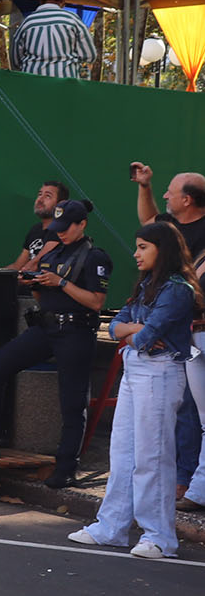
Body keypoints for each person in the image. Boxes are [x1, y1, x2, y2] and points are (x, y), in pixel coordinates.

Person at [69, 221, 203, 558]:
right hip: (136, 369)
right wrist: (133, 330)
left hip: (159, 372)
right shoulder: (149, 283)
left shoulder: (177, 288)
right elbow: (118, 326)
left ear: (163, 249)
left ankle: (159, 537)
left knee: (152, 456)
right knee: (124, 451)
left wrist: (132, 331)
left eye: (143, 247)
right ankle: (111, 527)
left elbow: (143, 336)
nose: (136, 253)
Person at [0, 199, 111, 487]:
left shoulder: (94, 257)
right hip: (46, 326)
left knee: (72, 399)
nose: (61, 233)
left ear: (82, 225)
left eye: (66, 228)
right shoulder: (53, 252)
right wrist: (37, 285)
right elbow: (45, 297)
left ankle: (67, 466)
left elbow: (96, 302)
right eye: (58, 228)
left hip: (76, 330)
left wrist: (61, 283)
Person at [131, 162, 205, 507]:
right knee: (180, 408)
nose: (164, 195)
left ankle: (185, 480)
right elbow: (150, 224)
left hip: (195, 328)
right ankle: (178, 477)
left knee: (192, 408)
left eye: (170, 192)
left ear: (187, 200)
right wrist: (143, 187)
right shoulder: (170, 226)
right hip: (176, 326)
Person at [11, 0, 97, 79]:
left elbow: (15, 60)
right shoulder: (72, 20)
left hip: (33, 84)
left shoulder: (28, 22)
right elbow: (89, 55)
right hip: (66, 83)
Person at [6, 180, 69, 270]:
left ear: (61, 204)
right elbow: (18, 266)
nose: (40, 199)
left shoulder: (61, 230)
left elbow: (34, 265)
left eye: (48, 196)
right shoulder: (35, 229)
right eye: (39, 194)